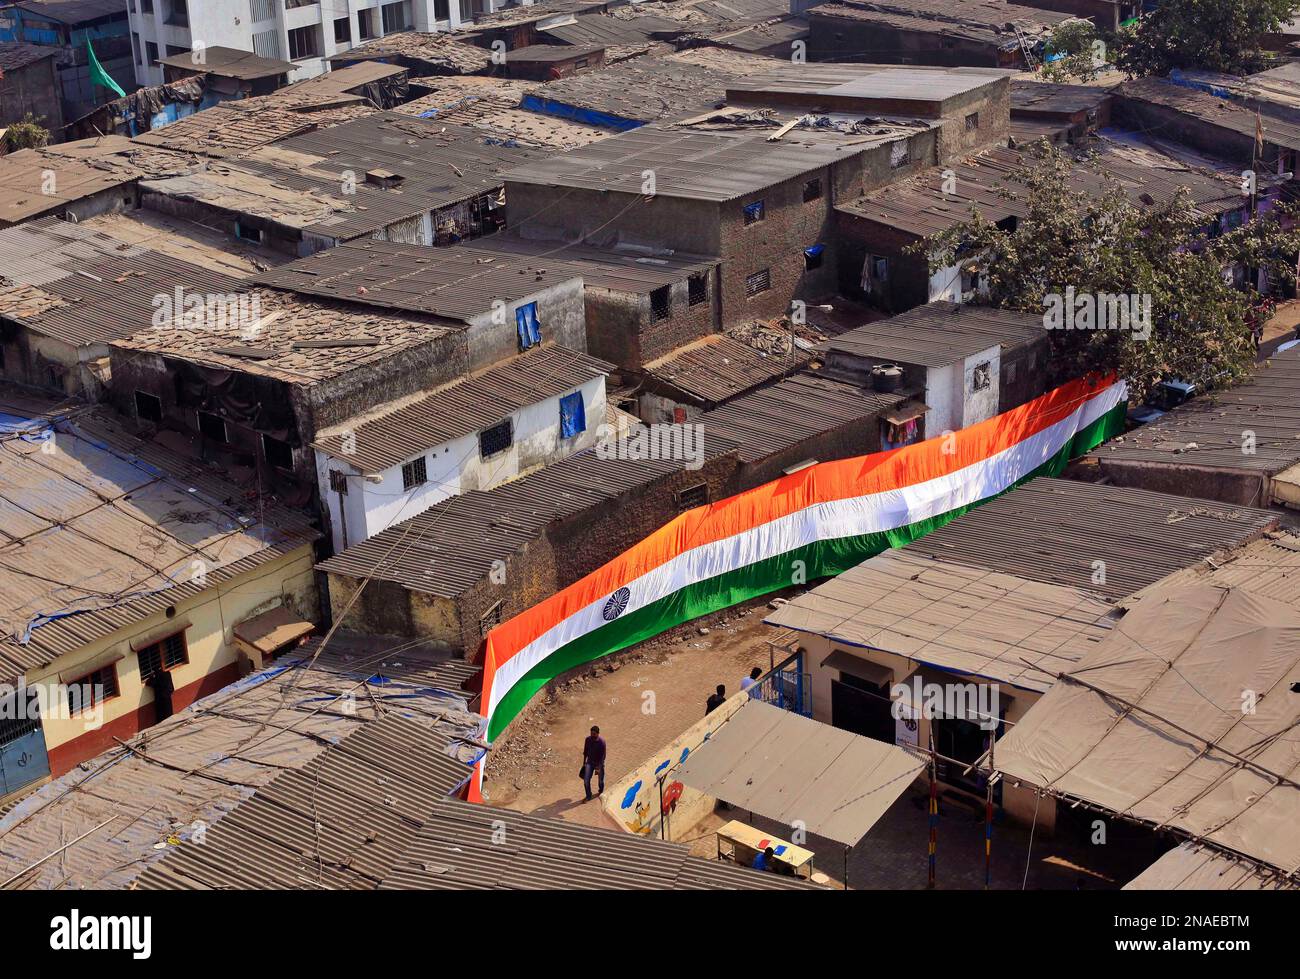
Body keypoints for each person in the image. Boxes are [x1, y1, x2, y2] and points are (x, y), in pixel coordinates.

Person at [581, 725, 606, 801]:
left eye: (594, 734)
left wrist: (598, 767)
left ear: (598, 734)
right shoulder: (588, 740)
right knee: (586, 781)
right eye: (591, 733)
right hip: (589, 763)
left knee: (600, 780)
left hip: (599, 763)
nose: (592, 735)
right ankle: (588, 795)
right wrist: (584, 762)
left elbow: (603, 756)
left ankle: (601, 790)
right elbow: (585, 752)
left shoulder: (602, 742)